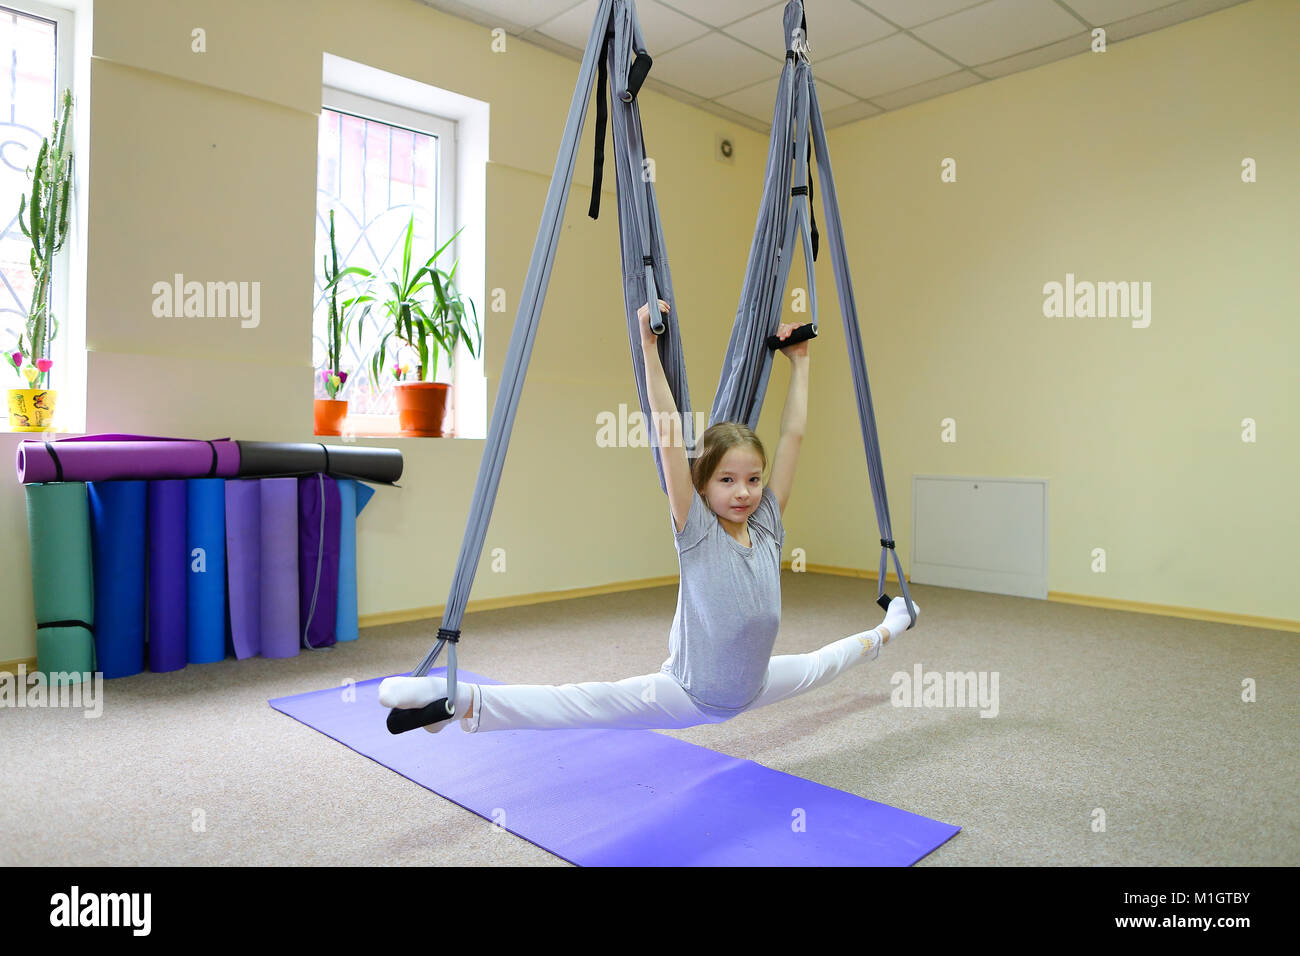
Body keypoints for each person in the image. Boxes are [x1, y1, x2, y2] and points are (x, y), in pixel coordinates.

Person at [379, 298, 918, 733]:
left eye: (754, 479)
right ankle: (456, 699)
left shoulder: (768, 526)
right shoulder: (698, 530)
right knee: (585, 705)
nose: (745, 492)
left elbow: (794, 434)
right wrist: (648, 350)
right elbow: (667, 435)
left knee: (830, 660)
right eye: (727, 481)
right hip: (686, 694)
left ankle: (894, 622)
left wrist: (799, 363)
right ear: (701, 487)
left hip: (755, 686)